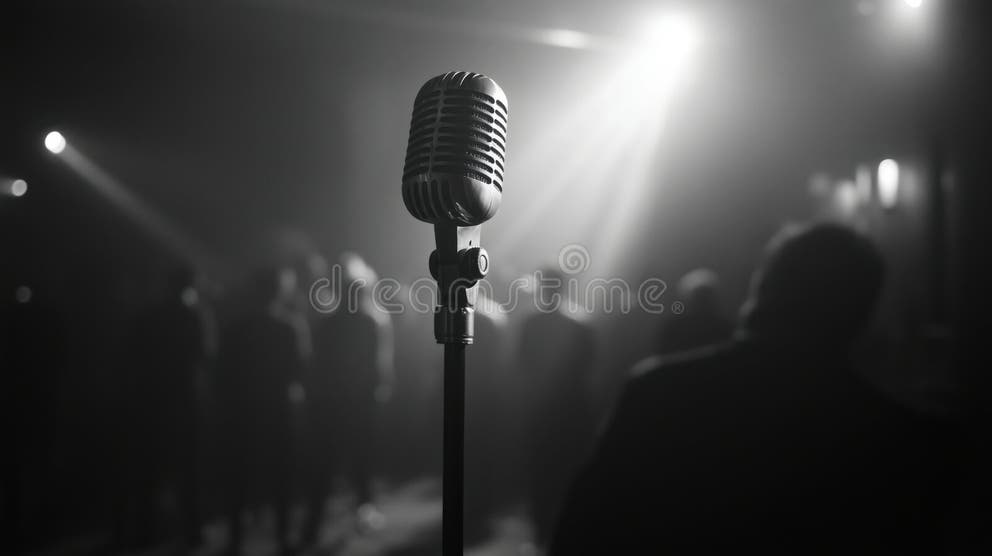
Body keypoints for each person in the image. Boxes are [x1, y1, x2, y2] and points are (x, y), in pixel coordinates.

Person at [551, 223, 963, 554]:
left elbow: (582, 534)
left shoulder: (657, 393)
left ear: (762, 289)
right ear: (862, 313)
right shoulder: (900, 439)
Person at [303, 252, 394, 543]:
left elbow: (315, 363)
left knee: (325, 462)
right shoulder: (371, 322)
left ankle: (313, 523)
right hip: (361, 401)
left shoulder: (327, 324)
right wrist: (381, 390)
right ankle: (362, 511)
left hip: (331, 401)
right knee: (361, 460)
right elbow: (379, 365)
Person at [216, 266, 305, 556]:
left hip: (243, 411)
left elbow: (223, 371)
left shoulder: (236, 328)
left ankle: (236, 539)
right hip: (277, 410)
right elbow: (300, 372)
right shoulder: (289, 327)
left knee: (238, 477)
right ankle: (282, 538)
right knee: (281, 478)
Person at [517, 267, 597, 547]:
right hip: (571, 412)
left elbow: (522, 368)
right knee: (566, 475)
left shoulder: (531, 325)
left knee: (542, 473)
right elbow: (589, 370)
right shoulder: (581, 325)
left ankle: (543, 534)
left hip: (542, 413)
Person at [657, 268, 733, 355]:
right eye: (700, 297)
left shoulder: (724, 327)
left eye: (705, 297)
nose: (703, 301)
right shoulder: (673, 328)